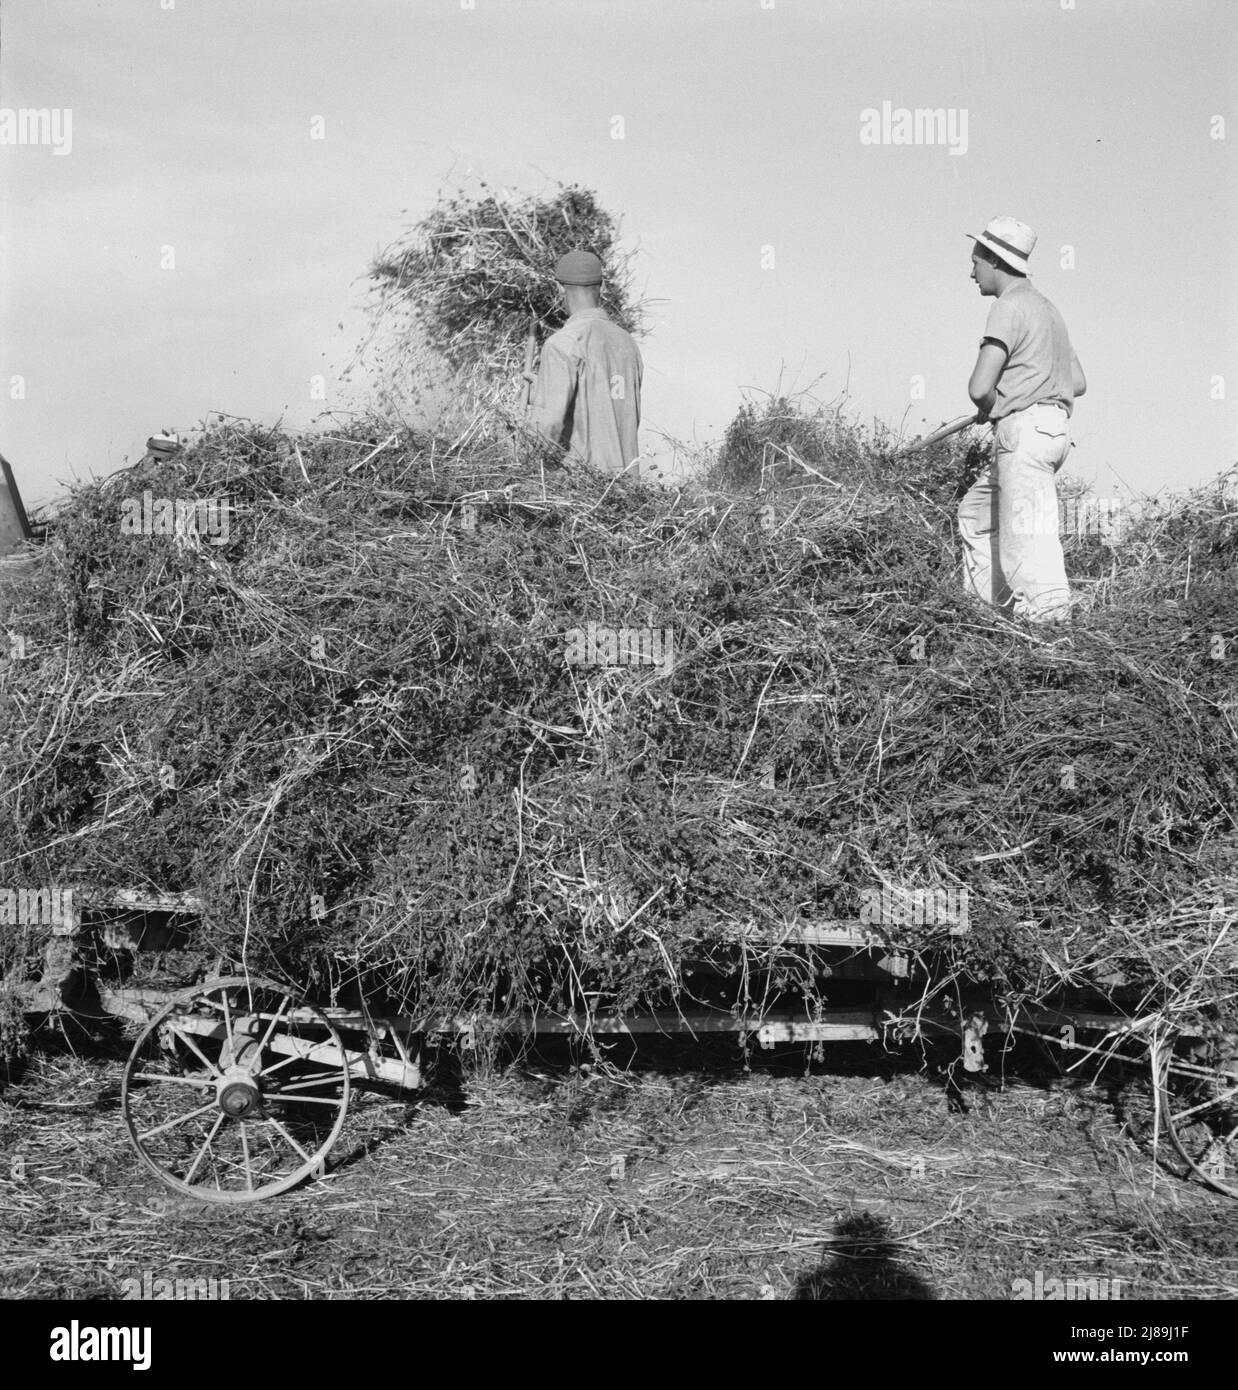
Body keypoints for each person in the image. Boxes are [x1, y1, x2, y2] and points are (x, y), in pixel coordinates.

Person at [958, 216, 1087, 623]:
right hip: (1052, 431)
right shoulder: (1049, 310)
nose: (971, 271)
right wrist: (1023, 386)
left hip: (1024, 433)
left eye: (975, 261)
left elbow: (980, 387)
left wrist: (998, 401)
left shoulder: (1007, 306)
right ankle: (986, 618)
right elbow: (1078, 382)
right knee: (976, 516)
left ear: (994, 260)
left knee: (1026, 541)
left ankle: (1051, 633)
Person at [524, 250, 643, 476]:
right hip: (629, 491)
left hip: (583, 491)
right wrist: (545, 389)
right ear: (604, 285)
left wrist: (525, 473)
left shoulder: (562, 343)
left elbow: (546, 429)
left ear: (559, 288)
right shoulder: (628, 345)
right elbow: (611, 411)